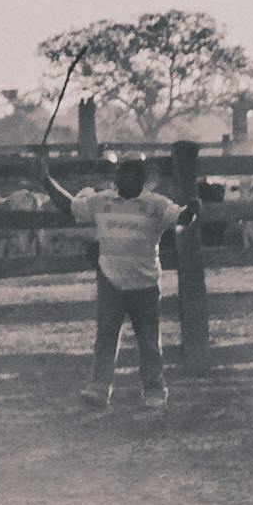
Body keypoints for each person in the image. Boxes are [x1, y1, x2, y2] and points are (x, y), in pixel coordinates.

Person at [72, 154, 187, 408]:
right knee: (106, 336)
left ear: (142, 178)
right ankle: (99, 388)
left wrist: (194, 210)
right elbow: (72, 207)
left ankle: (154, 391)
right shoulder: (102, 200)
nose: (126, 176)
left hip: (144, 283)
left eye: (133, 172)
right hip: (110, 280)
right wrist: (46, 181)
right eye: (122, 171)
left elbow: (181, 218)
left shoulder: (156, 204)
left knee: (148, 339)